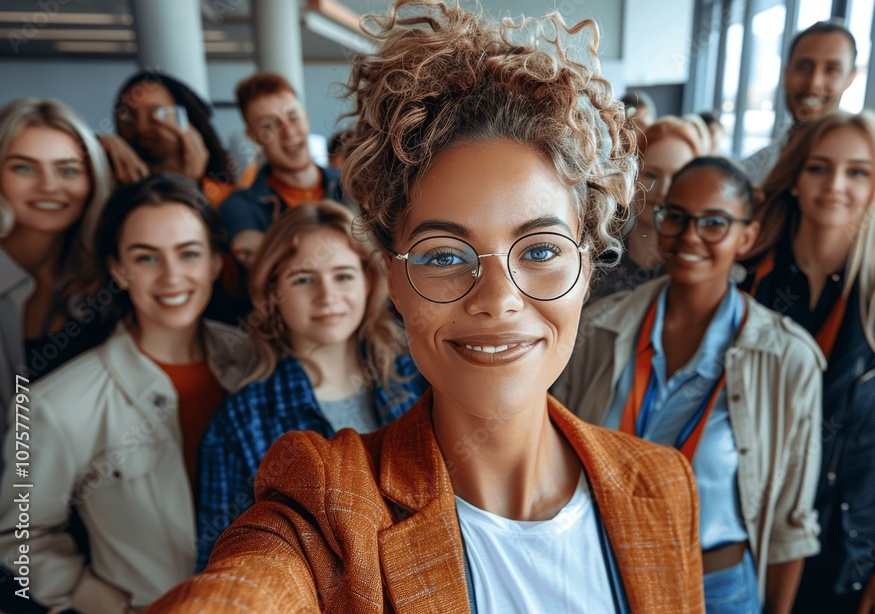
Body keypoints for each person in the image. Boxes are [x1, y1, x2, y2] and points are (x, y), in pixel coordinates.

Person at [149, 1, 703, 611]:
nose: (498, 300)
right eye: (444, 256)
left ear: (587, 268)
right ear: (392, 279)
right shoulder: (330, 504)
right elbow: (248, 588)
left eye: (541, 249)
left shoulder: (664, 484)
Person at [556, 156, 824, 613]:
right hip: (597, 573)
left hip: (714, 589)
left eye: (714, 222)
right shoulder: (597, 328)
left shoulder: (788, 358)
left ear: (747, 237)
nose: (690, 235)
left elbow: (790, 523)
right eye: (676, 216)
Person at [0, 174, 257, 612]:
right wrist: (105, 603)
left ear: (215, 262)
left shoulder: (258, 361)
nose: (172, 276)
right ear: (119, 269)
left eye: (189, 253)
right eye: (146, 258)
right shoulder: (54, 405)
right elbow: (18, 538)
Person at [743, 111, 875, 614]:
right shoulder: (744, 278)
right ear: (795, 178)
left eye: (857, 171)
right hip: (735, 528)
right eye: (819, 167)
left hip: (841, 546)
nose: (836, 185)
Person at [195, 201, 427, 570]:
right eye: (303, 279)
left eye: (343, 275)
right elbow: (223, 561)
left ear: (369, 281)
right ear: (272, 291)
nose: (327, 295)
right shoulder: (242, 419)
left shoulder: (418, 373)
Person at [0, 98, 113, 414]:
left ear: (92, 179)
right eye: (23, 167)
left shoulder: (107, 281)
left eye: (68, 170)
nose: (49, 185)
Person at [219, 73, 344, 266]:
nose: (289, 132)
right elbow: (254, 256)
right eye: (270, 124)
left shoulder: (353, 187)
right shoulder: (241, 206)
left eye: (293, 117)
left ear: (306, 117)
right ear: (253, 136)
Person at [590, 115, 711, 300]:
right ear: (632, 176)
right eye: (652, 175)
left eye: (677, 179)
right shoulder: (598, 255)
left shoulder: (696, 271)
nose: (662, 191)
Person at [103, 71, 247, 205]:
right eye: (126, 116)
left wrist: (186, 184)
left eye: (156, 113)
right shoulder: (108, 194)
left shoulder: (226, 198)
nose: (141, 127)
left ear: (187, 121)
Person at [742, 21, 858, 186]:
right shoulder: (748, 173)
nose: (814, 83)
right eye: (804, 67)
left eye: (831, 70)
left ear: (850, 78)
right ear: (786, 75)